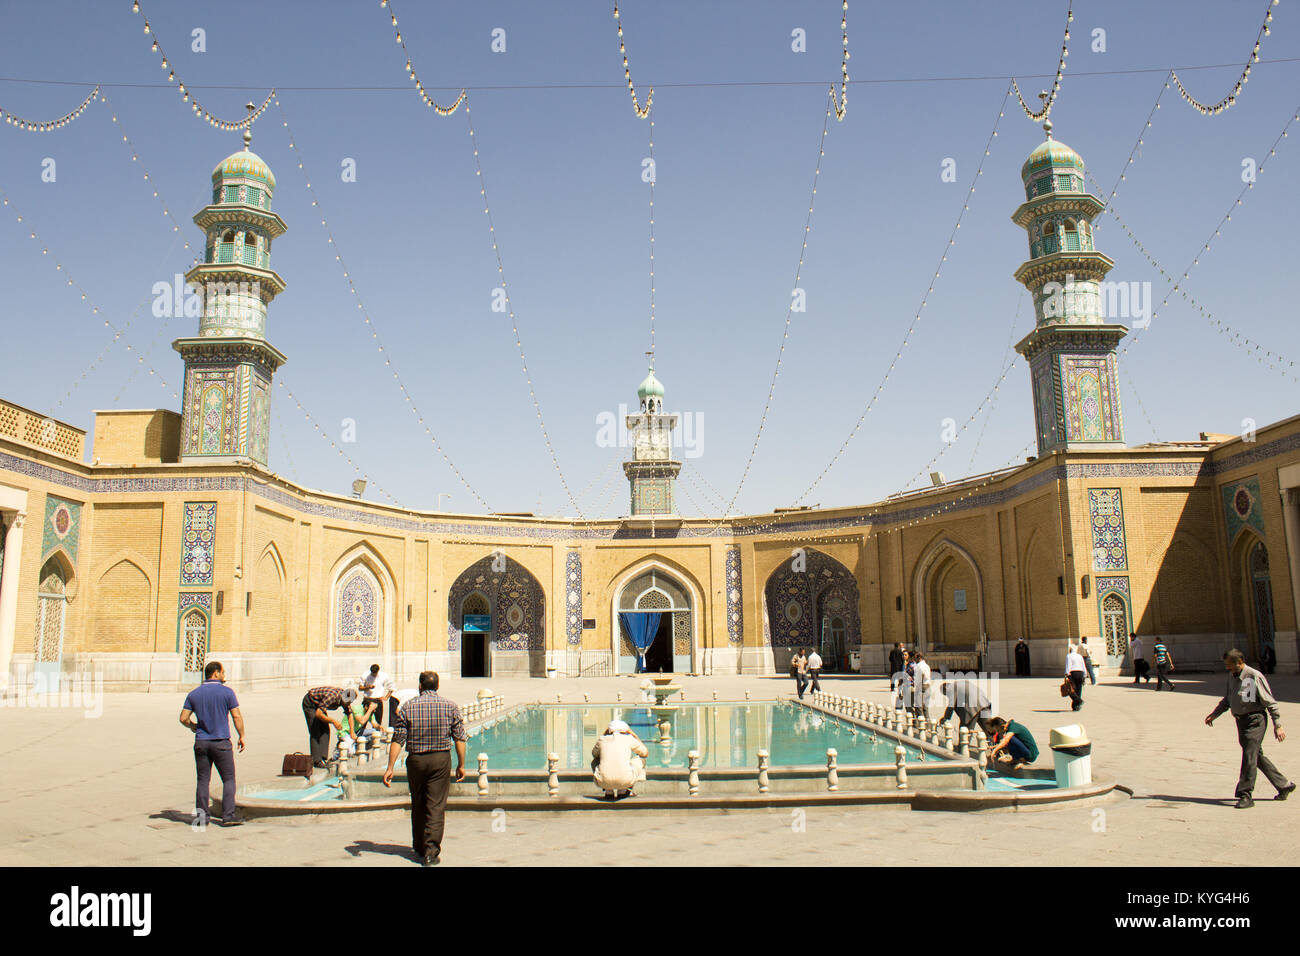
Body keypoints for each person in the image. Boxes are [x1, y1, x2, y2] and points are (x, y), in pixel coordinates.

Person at [383, 671, 467, 866]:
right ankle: (431, 852)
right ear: (437, 686)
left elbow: (398, 739)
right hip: (440, 759)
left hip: (416, 760)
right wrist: (461, 764)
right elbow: (460, 737)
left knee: (418, 802)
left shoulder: (408, 707)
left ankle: (419, 846)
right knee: (435, 806)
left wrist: (390, 767)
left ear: (420, 686)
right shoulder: (450, 706)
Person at [1205, 648, 1294, 809]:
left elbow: (1270, 702)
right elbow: (1228, 698)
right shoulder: (1232, 676)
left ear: (1240, 662)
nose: (1227, 668)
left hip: (1255, 721)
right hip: (1241, 722)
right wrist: (1214, 714)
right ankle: (1284, 784)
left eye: (1230, 665)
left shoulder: (1253, 676)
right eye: (1226, 665)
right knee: (1256, 756)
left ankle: (1245, 794)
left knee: (1249, 756)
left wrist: (1278, 725)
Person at [179, 661, 246, 827]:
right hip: (221, 742)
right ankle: (228, 816)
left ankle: (201, 818)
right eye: (223, 672)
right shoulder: (227, 693)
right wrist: (242, 735)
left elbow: (183, 718)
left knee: (203, 780)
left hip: (201, 742)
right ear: (216, 673)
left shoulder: (194, 694)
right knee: (228, 779)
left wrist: (193, 726)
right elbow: (236, 716)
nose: (224, 675)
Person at [591, 719, 649, 799]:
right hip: (626, 780)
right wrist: (634, 735)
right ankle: (624, 789)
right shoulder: (629, 739)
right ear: (625, 730)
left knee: (595, 761)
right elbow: (645, 753)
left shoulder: (602, 740)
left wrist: (604, 735)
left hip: (603, 781)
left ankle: (608, 790)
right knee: (641, 759)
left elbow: (594, 754)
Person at [302, 685, 356, 768]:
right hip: (310, 703)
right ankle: (316, 761)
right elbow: (318, 714)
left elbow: (350, 715)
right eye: (346, 702)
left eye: (349, 702)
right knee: (315, 731)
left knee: (325, 730)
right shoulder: (332, 697)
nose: (346, 704)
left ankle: (323, 758)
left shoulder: (346, 699)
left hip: (319, 705)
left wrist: (352, 731)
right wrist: (334, 721)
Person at [359, 663, 395, 730]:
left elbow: (391, 687)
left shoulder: (384, 676)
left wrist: (386, 697)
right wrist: (367, 687)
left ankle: (375, 736)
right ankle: (361, 735)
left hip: (378, 700)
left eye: (374, 673)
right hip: (367, 699)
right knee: (363, 721)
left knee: (378, 722)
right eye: (372, 673)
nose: (373, 674)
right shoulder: (365, 675)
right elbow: (360, 688)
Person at [909, 651, 932, 718]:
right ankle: (928, 723)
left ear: (919, 658)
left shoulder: (918, 666)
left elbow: (920, 676)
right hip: (928, 686)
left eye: (915, 658)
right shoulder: (927, 666)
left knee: (918, 706)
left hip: (921, 686)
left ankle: (920, 722)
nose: (914, 660)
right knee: (925, 707)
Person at [1064, 644, 1086, 711]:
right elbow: (1083, 666)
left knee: (1071, 690)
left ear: (1070, 650)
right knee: (1079, 690)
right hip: (1080, 673)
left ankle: (1078, 700)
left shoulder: (1069, 656)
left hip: (1073, 673)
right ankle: (1076, 706)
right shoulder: (1080, 656)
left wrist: (1067, 674)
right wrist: (1084, 675)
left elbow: (1068, 665)